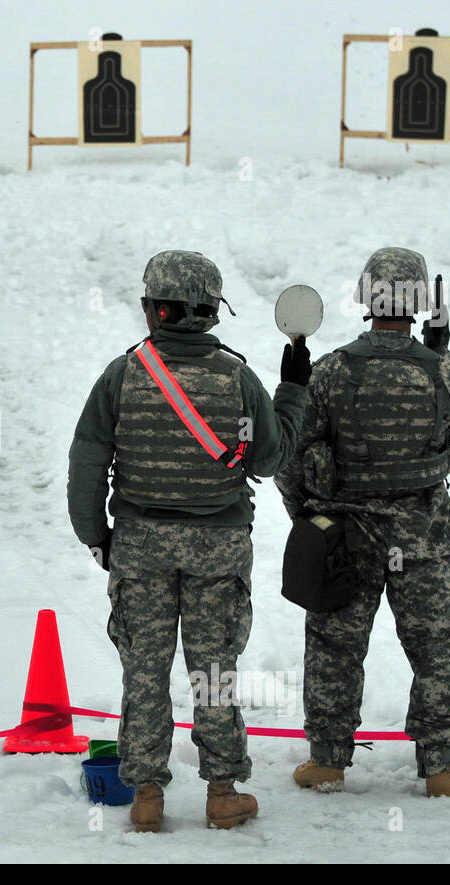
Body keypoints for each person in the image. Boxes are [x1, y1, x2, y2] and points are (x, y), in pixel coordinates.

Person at [67, 250, 310, 831]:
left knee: (144, 672)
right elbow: (274, 455)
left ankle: (147, 796)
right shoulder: (239, 378)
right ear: (209, 312)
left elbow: (87, 462)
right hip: (218, 547)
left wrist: (96, 536)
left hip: (140, 543)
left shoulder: (123, 375)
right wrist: (293, 390)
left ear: (155, 309)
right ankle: (222, 793)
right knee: (216, 672)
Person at [276, 246, 450, 797]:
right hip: (424, 537)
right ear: (420, 303)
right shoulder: (446, 373)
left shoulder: (331, 372)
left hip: (348, 537)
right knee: (437, 645)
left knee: (334, 647)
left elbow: (293, 454)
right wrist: (439, 355)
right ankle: (440, 766)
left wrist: (307, 520)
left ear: (367, 299)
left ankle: (326, 762)